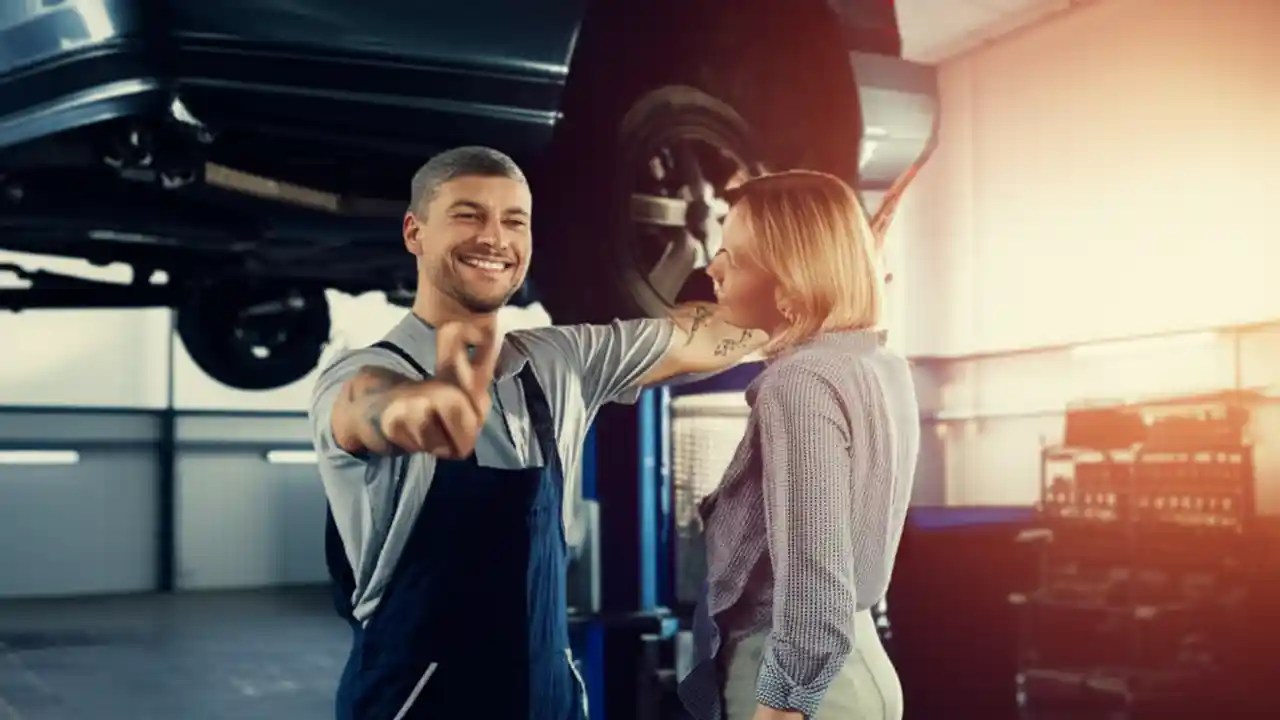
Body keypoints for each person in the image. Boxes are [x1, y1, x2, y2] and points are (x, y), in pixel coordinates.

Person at [308, 145, 766, 720]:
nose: (495, 238)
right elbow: (378, 411)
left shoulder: (560, 362)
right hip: (419, 703)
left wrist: (818, 280)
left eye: (514, 220)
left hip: (546, 698)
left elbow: (708, 335)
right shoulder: (361, 376)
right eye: (468, 215)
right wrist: (436, 405)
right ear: (414, 232)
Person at [677, 170, 920, 720]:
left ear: (790, 284)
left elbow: (815, 575)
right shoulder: (880, 366)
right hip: (862, 668)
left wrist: (785, 706)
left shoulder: (799, 382)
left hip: (795, 684)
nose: (711, 269)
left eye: (733, 259)